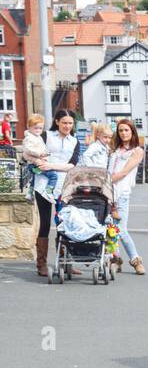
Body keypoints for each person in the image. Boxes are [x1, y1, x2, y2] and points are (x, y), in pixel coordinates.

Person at [32, 108, 81, 277]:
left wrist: (52, 165)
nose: (67, 126)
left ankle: (65, 262)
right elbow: (33, 153)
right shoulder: (45, 136)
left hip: (64, 186)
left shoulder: (74, 141)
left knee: (65, 223)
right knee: (45, 223)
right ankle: (41, 264)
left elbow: (72, 165)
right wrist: (40, 163)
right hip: (44, 184)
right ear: (57, 122)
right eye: (64, 122)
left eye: (70, 123)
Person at [108, 119, 146, 275]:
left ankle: (136, 260)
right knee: (110, 229)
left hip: (121, 192)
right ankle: (115, 260)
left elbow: (124, 172)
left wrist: (104, 180)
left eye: (126, 130)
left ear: (132, 132)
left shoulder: (137, 151)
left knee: (120, 230)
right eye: (121, 130)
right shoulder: (115, 150)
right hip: (108, 192)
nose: (123, 133)